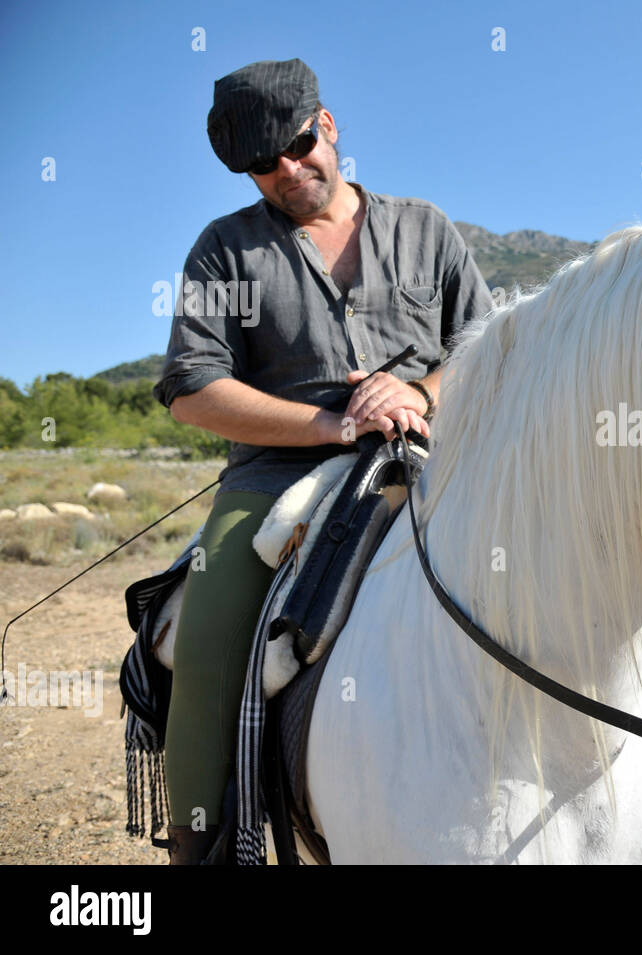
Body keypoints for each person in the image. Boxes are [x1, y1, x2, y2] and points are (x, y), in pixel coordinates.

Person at [152, 58, 494, 863]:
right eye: (262, 165)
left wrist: (418, 393)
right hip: (274, 480)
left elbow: (485, 347)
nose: (287, 171)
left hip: (431, 456)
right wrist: (328, 426)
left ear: (328, 125)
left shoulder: (426, 227)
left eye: (300, 145)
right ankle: (200, 848)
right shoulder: (223, 250)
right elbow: (191, 390)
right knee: (208, 637)